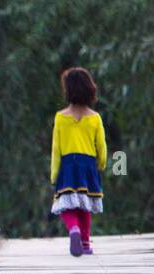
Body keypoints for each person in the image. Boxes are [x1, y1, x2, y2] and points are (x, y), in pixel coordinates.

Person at [51, 66, 107, 257]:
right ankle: (85, 242)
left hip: (68, 165)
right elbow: (102, 146)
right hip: (88, 164)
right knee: (85, 204)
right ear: (90, 89)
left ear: (68, 90)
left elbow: (56, 149)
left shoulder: (60, 117)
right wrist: (101, 164)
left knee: (66, 204)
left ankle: (73, 229)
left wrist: (54, 174)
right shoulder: (95, 118)